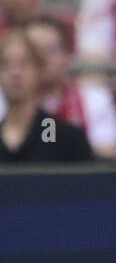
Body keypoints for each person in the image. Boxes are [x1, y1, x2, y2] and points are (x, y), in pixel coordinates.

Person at [0, 27, 93, 163]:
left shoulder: (65, 137)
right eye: (5, 65)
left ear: (39, 71)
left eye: (24, 64)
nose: (15, 73)